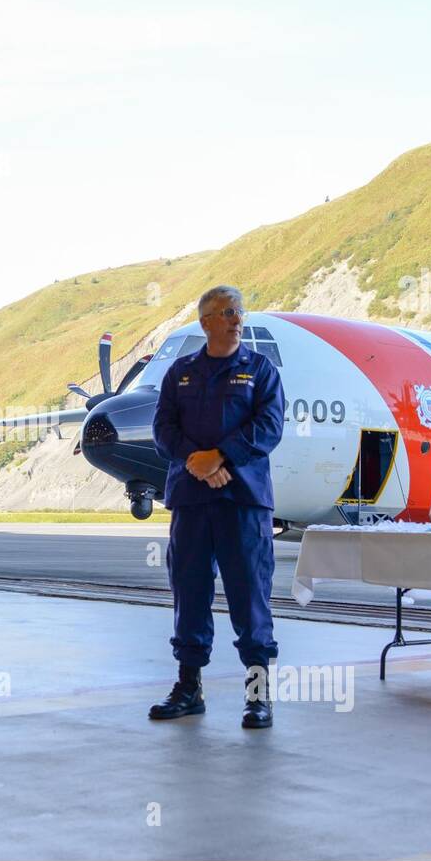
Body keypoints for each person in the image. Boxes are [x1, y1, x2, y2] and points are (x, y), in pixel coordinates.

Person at [150, 286, 286, 727]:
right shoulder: (180, 373)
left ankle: (257, 695)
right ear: (205, 321)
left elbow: (269, 425)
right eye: (225, 312)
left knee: (250, 596)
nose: (235, 318)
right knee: (189, 592)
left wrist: (221, 457)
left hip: (242, 500)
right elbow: (162, 428)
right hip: (192, 499)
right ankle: (189, 687)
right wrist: (197, 461)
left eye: (238, 311)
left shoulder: (260, 370)